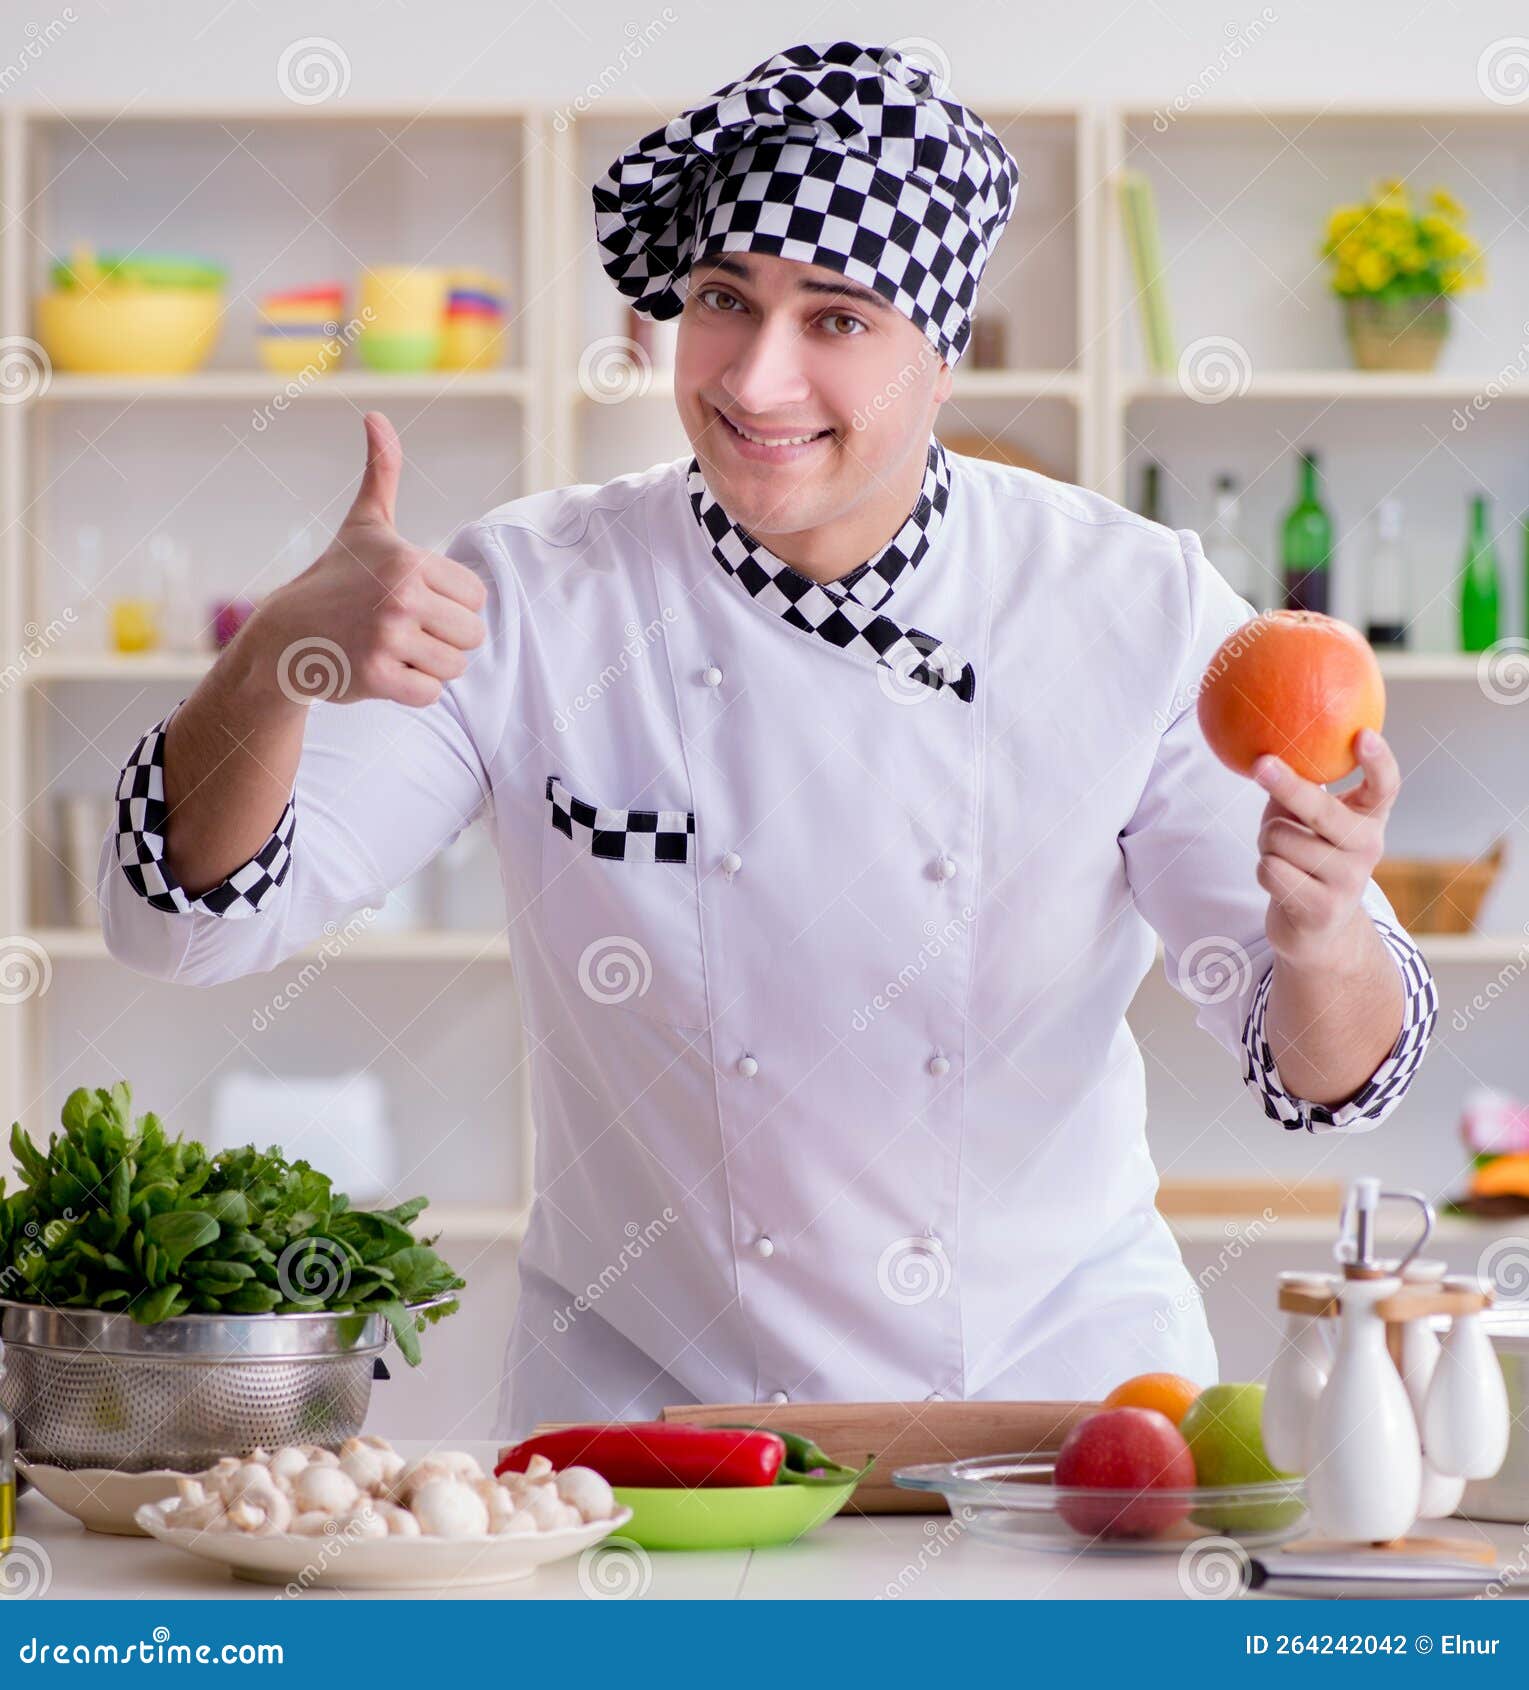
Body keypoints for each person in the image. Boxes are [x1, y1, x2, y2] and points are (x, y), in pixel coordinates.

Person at [101, 41, 1436, 1434]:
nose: (756, 377)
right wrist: (273, 663)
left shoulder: (1131, 604)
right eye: (722, 301)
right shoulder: (537, 594)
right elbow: (184, 928)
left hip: (1061, 1421)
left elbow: (1335, 1086)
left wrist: (1323, 927)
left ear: (942, 352)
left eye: (837, 318)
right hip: (651, 1429)